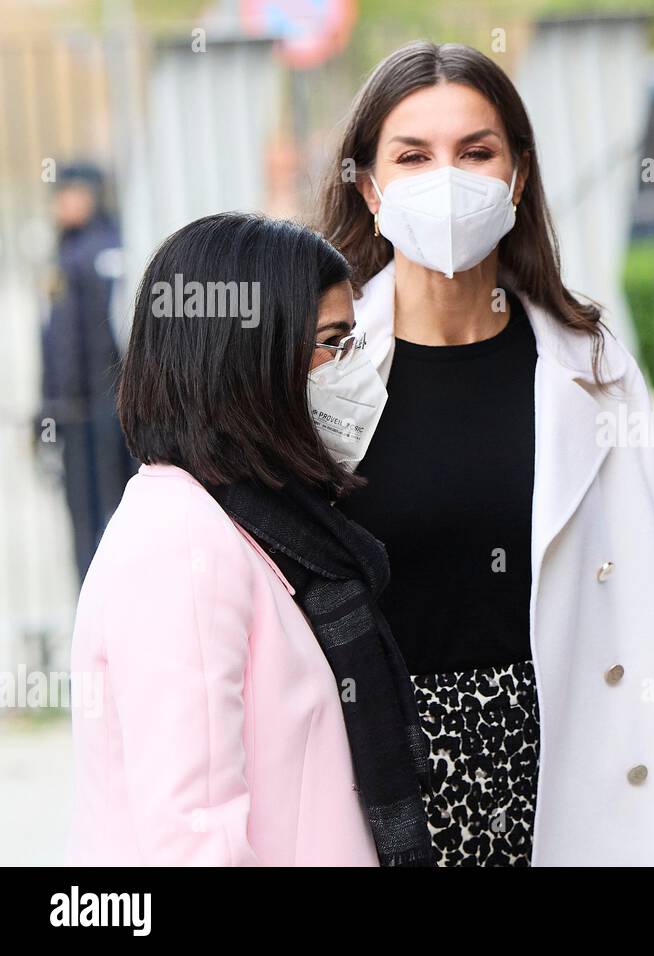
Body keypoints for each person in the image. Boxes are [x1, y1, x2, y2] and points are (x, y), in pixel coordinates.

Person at [319, 41, 654, 865]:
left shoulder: (589, 364)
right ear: (369, 188)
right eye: (413, 156)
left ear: (517, 178)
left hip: (569, 768)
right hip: (377, 779)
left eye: (474, 152)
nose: (445, 177)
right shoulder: (322, 371)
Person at [67, 213, 431, 866]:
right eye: (333, 342)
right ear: (249, 359)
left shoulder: (266, 526)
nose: (355, 369)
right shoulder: (181, 543)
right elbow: (194, 841)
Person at [38, 162, 134, 581]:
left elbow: (115, 333)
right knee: (89, 522)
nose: (61, 202)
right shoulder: (69, 251)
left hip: (102, 408)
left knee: (107, 520)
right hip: (77, 411)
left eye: (70, 191)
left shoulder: (103, 251)